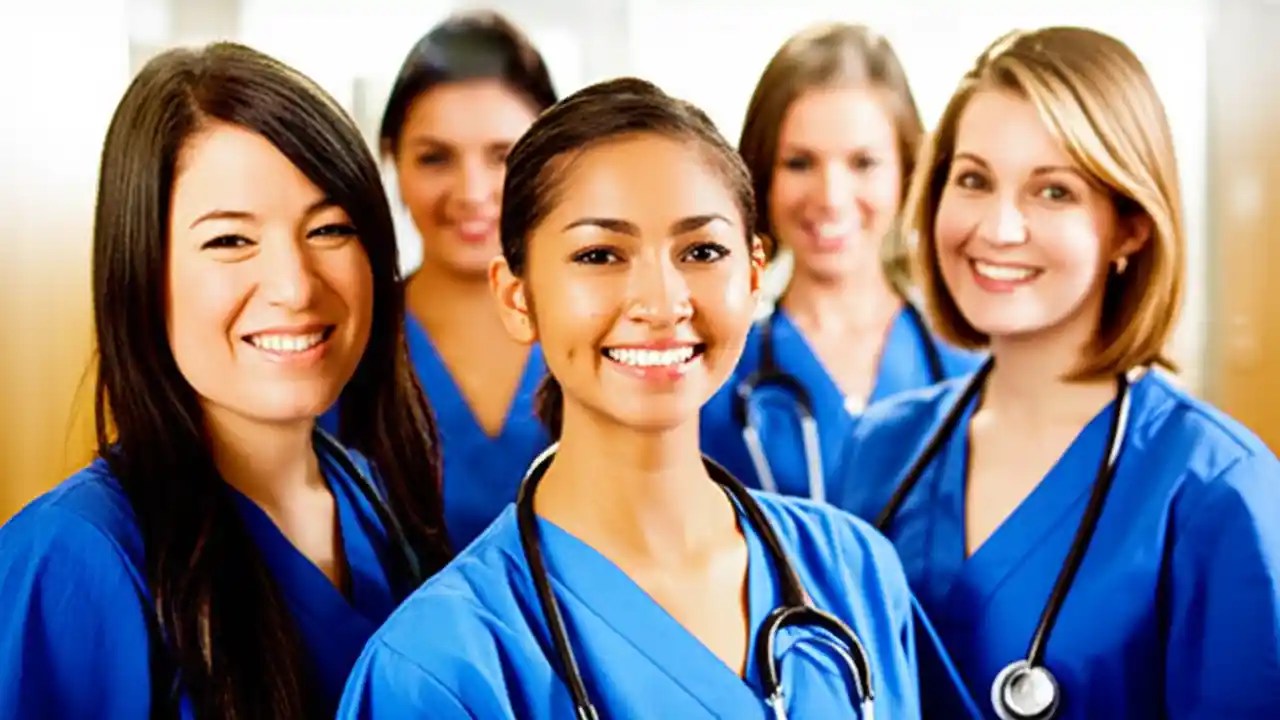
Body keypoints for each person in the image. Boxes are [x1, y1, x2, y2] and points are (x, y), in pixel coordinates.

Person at [337, 77, 937, 719]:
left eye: (702, 251)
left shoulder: (854, 576)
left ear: (753, 274)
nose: (661, 302)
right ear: (517, 298)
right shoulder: (440, 665)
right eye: (600, 255)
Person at [830, 26, 1280, 719]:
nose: (999, 228)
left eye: (1054, 192)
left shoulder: (1214, 488)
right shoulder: (883, 449)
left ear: (1130, 226)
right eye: (974, 180)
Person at [0, 43, 451, 718]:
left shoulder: (373, 499)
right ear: (142, 271)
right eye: (230, 241)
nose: (295, 287)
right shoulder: (74, 556)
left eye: (330, 229)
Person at [700, 23, 982, 502]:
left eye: (863, 163)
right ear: (762, 174)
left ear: (907, 172)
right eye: (800, 163)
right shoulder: (715, 376)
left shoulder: (969, 368)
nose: (831, 197)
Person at [321, 10, 558, 550]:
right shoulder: (340, 347)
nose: (472, 191)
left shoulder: (610, 334)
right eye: (435, 159)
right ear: (392, 159)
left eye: (503, 156)